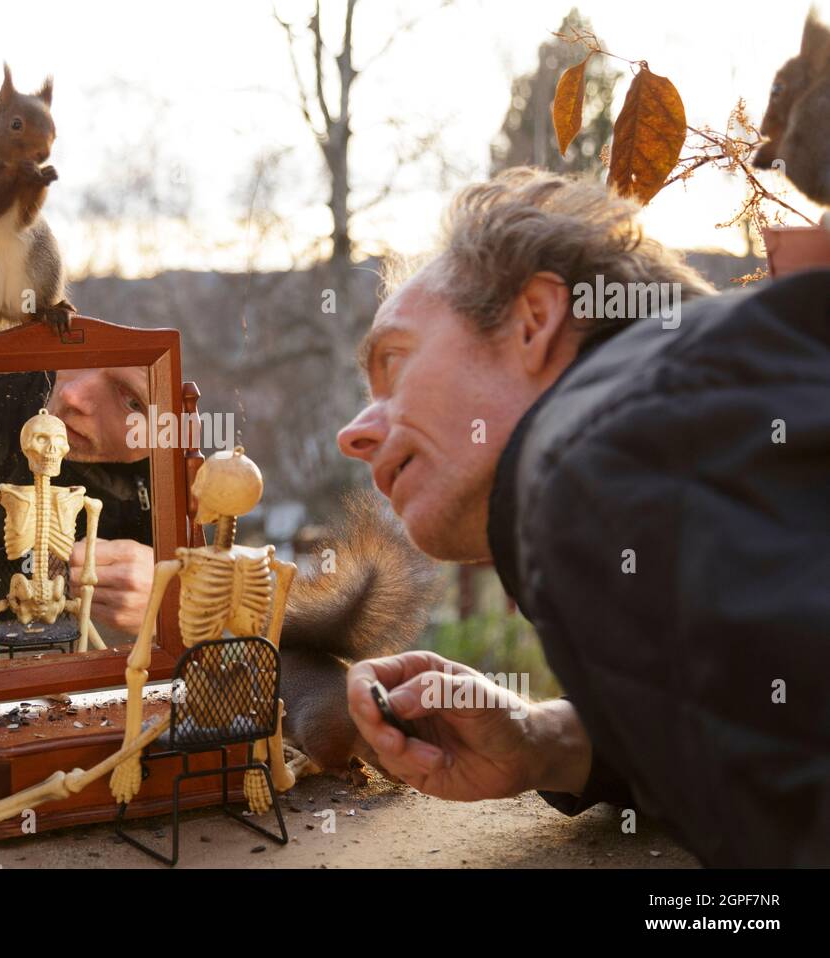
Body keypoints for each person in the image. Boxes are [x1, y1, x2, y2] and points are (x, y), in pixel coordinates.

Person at [337, 167, 830, 866]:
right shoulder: (691, 398)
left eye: (394, 362)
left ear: (534, 320)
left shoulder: (594, 452)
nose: (353, 433)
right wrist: (553, 744)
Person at [0, 366, 157, 641]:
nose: (71, 394)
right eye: (80, 357)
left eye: (133, 403)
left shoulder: (176, 483)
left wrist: (174, 605)